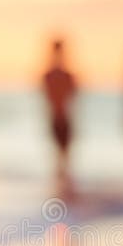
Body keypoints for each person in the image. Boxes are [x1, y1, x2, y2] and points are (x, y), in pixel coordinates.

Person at [42, 38, 78, 192]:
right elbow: (73, 95)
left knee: (61, 157)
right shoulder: (63, 75)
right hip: (61, 116)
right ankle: (62, 189)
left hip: (59, 116)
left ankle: (61, 189)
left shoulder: (50, 75)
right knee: (62, 157)